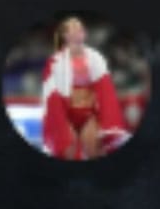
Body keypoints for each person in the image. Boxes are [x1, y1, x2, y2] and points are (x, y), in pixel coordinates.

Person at [40, 18, 127, 162]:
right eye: (73, 28)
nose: (78, 30)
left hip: (88, 113)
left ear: (84, 34)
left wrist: (108, 123)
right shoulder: (55, 61)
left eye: (80, 28)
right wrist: (57, 120)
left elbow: (106, 91)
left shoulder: (96, 58)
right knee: (68, 152)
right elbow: (50, 95)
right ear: (65, 35)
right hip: (65, 114)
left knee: (94, 152)